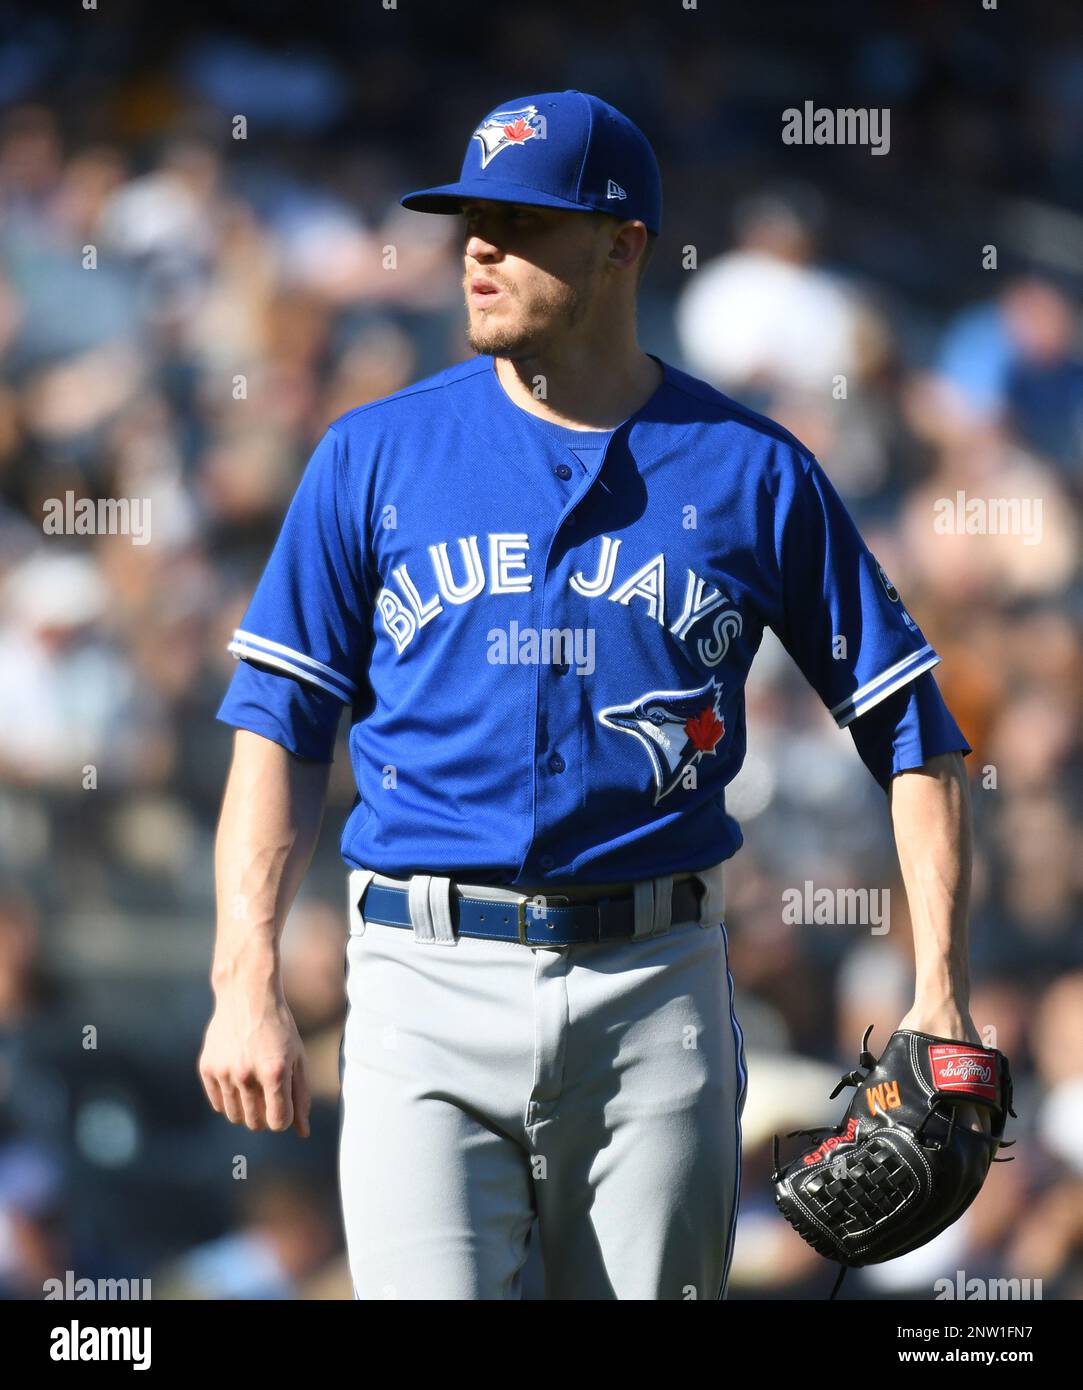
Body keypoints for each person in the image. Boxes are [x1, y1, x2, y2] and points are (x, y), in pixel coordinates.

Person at [198, 90, 979, 1301]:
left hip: (653, 988)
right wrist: (242, 977)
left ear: (624, 247)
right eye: (471, 219)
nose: (479, 247)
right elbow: (278, 726)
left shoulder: (752, 469)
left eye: (521, 220)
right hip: (421, 981)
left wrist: (939, 993)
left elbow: (914, 730)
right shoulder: (373, 455)